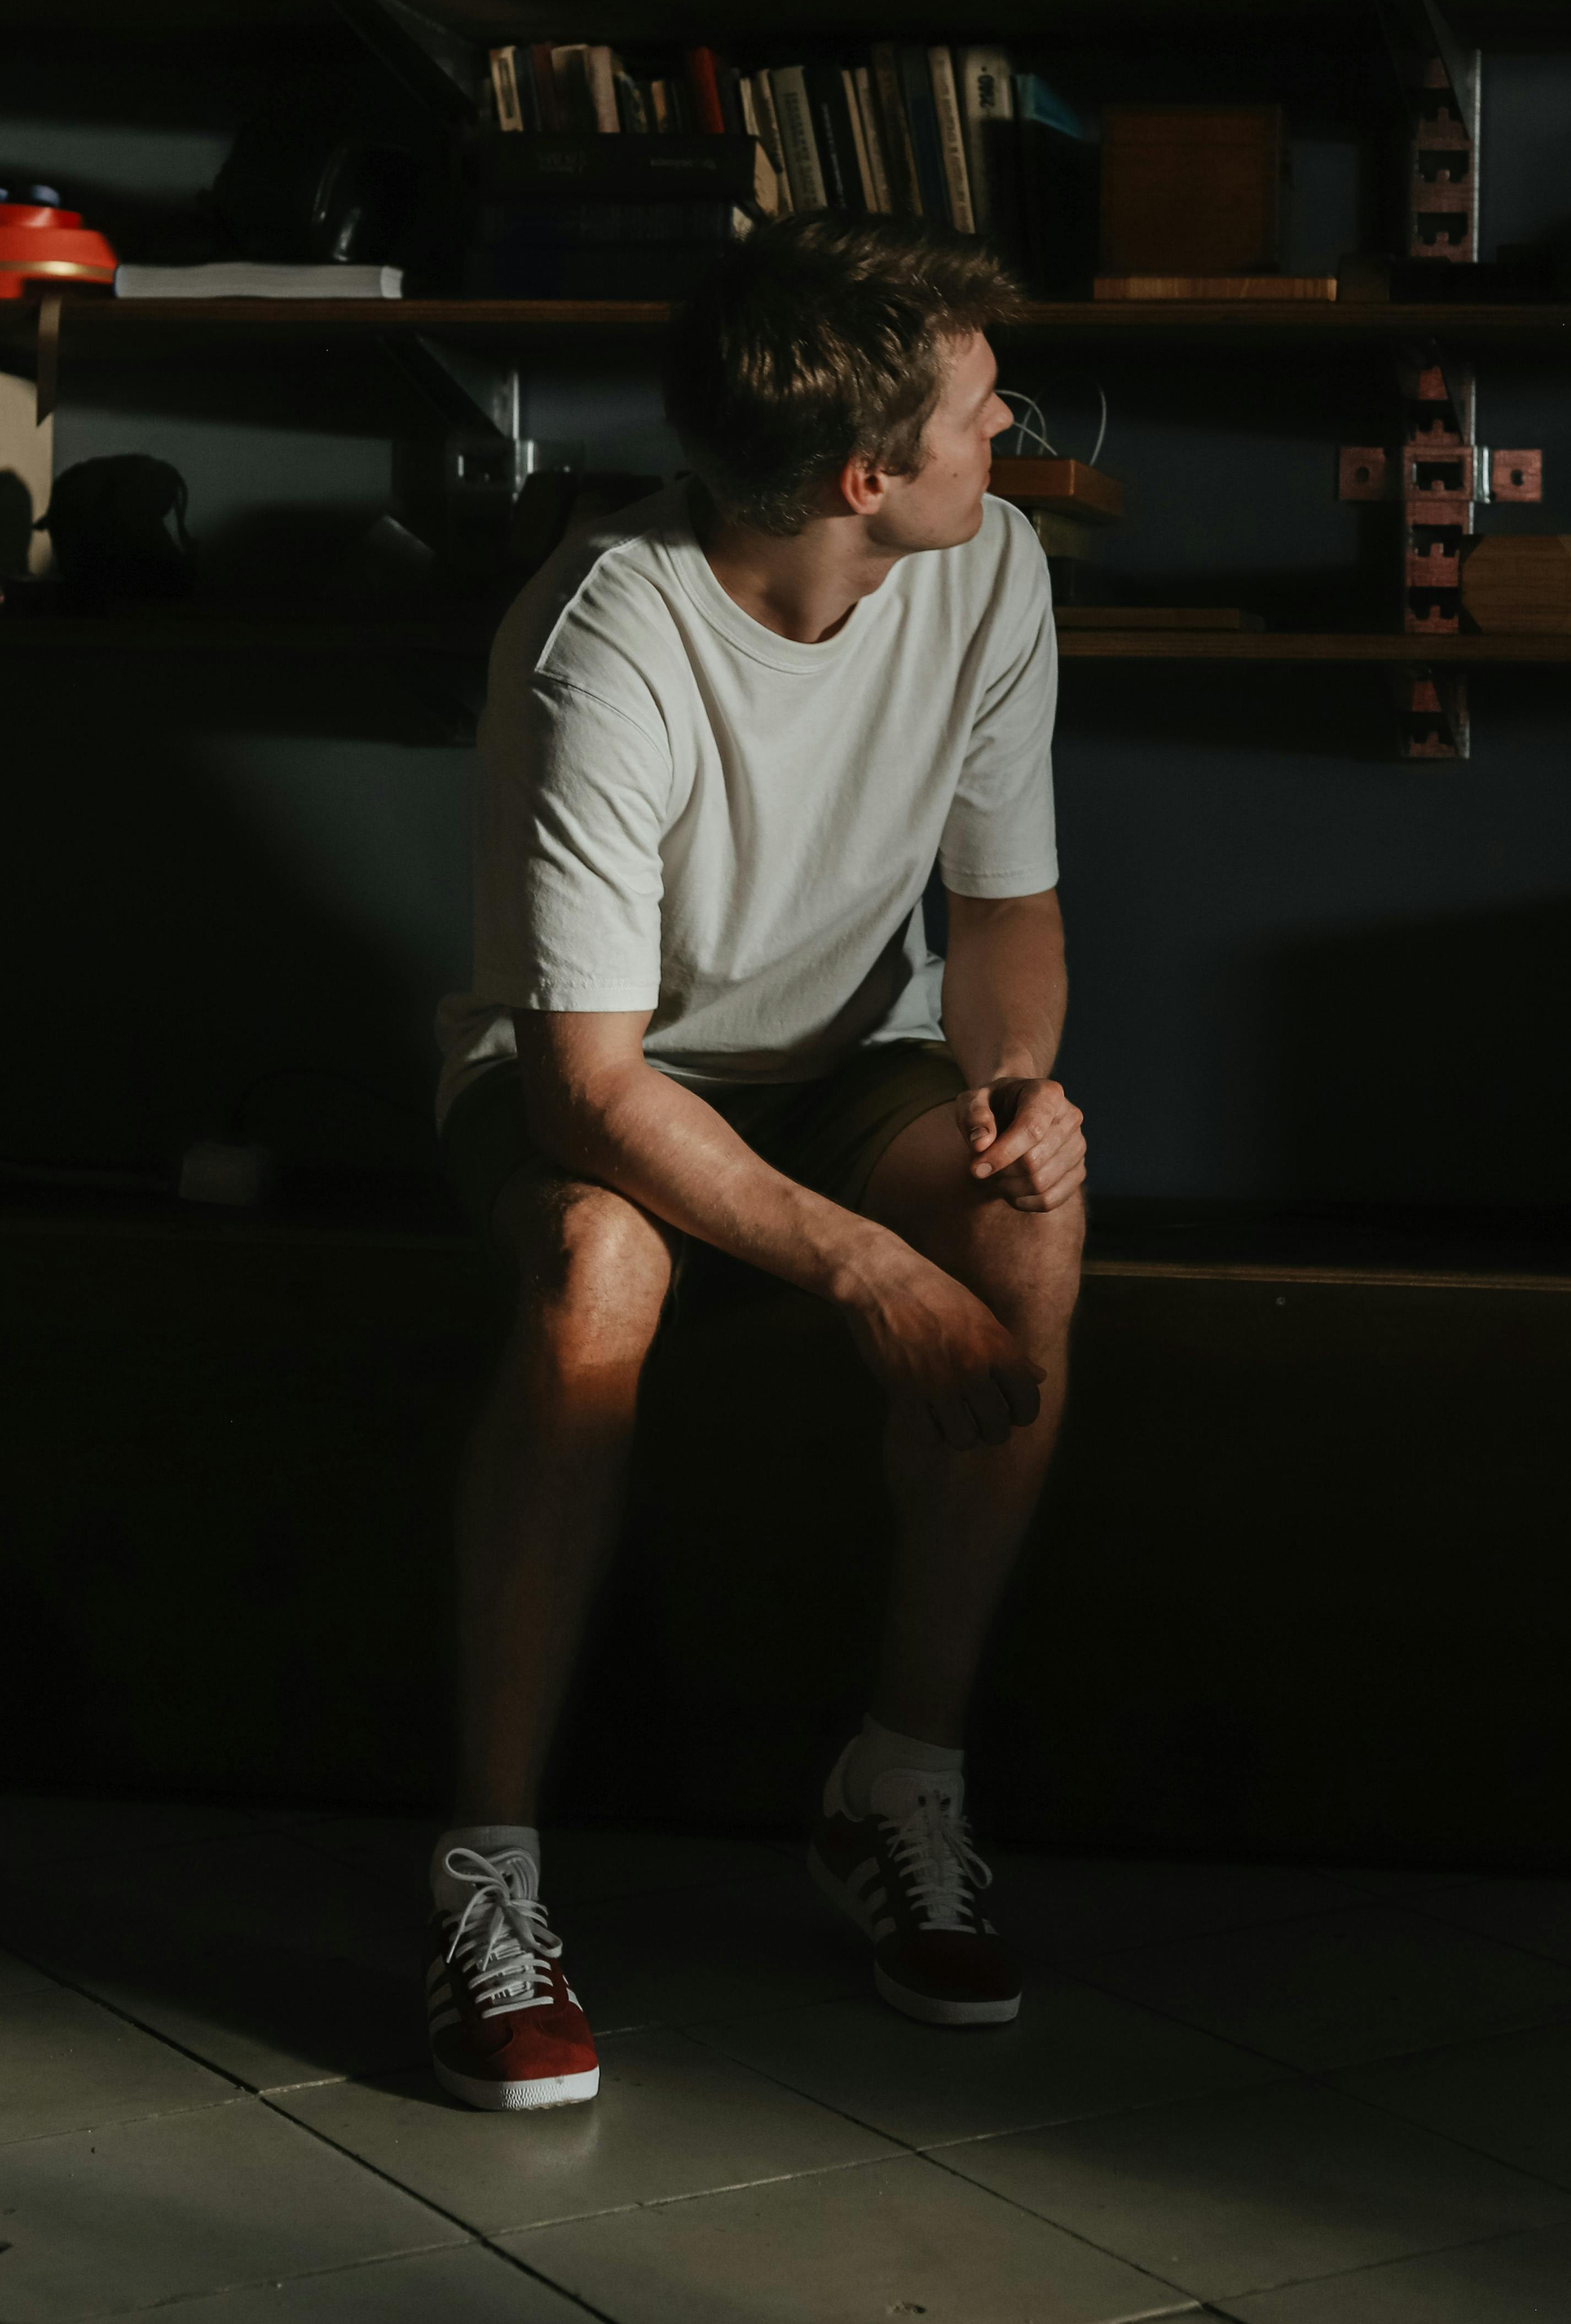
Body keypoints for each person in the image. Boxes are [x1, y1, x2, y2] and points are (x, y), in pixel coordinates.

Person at [424, 213, 1087, 2112]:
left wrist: (1021, 1085)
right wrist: (869, 1272)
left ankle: (903, 1782)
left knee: (1030, 1222)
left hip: (838, 1066)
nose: (1009, 429)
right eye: (980, 409)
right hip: (593, 1077)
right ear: (866, 476)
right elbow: (590, 1093)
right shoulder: (600, 635)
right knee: (596, 1276)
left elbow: (1005, 911)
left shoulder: (996, 565)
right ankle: (486, 1878)